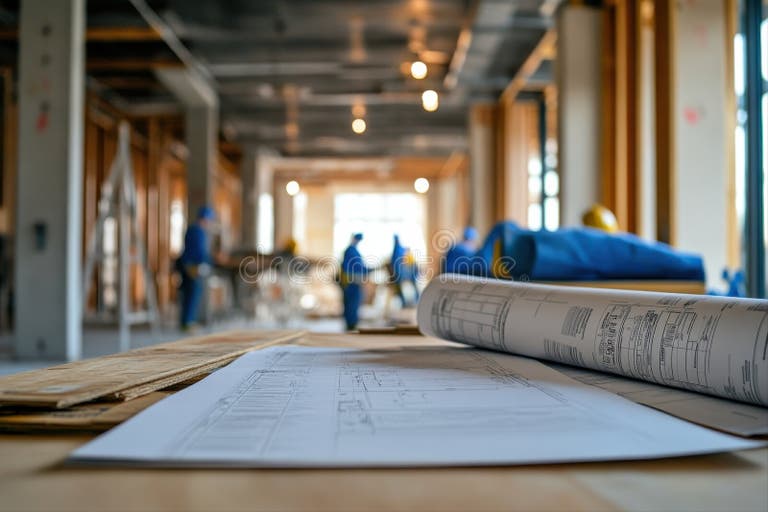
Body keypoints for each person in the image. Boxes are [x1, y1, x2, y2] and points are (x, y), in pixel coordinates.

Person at [472, 221, 705, 281]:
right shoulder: (496, 247)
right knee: (619, 253)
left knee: (620, 255)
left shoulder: (481, 259)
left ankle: (691, 268)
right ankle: (692, 268)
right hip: (534, 252)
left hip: (531, 255)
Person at [176, 206, 215, 330]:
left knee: (188, 293)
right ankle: (188, 322)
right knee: (193, 293)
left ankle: (185, 321)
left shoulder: (191, 229)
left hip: (185, 264)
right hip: (192, 266)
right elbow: (200, 252)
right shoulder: (199, 231)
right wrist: (209, 261)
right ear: (205, 219)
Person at [339, 233, 372, 330]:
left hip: (353, 282)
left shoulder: (353, 251)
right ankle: (350, 324)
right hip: (351, 283)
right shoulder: (350, 251)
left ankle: (351, 323)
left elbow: (360, 267)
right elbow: (357, 267)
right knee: (351, 304)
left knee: (353, 304)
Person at [391, 235, 420, 307]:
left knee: (412, 286)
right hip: (404, 271)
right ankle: (405, 303)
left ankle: (416, 301)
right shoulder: (399, 250)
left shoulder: (400, 251)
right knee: (403, 287)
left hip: (407, 271)